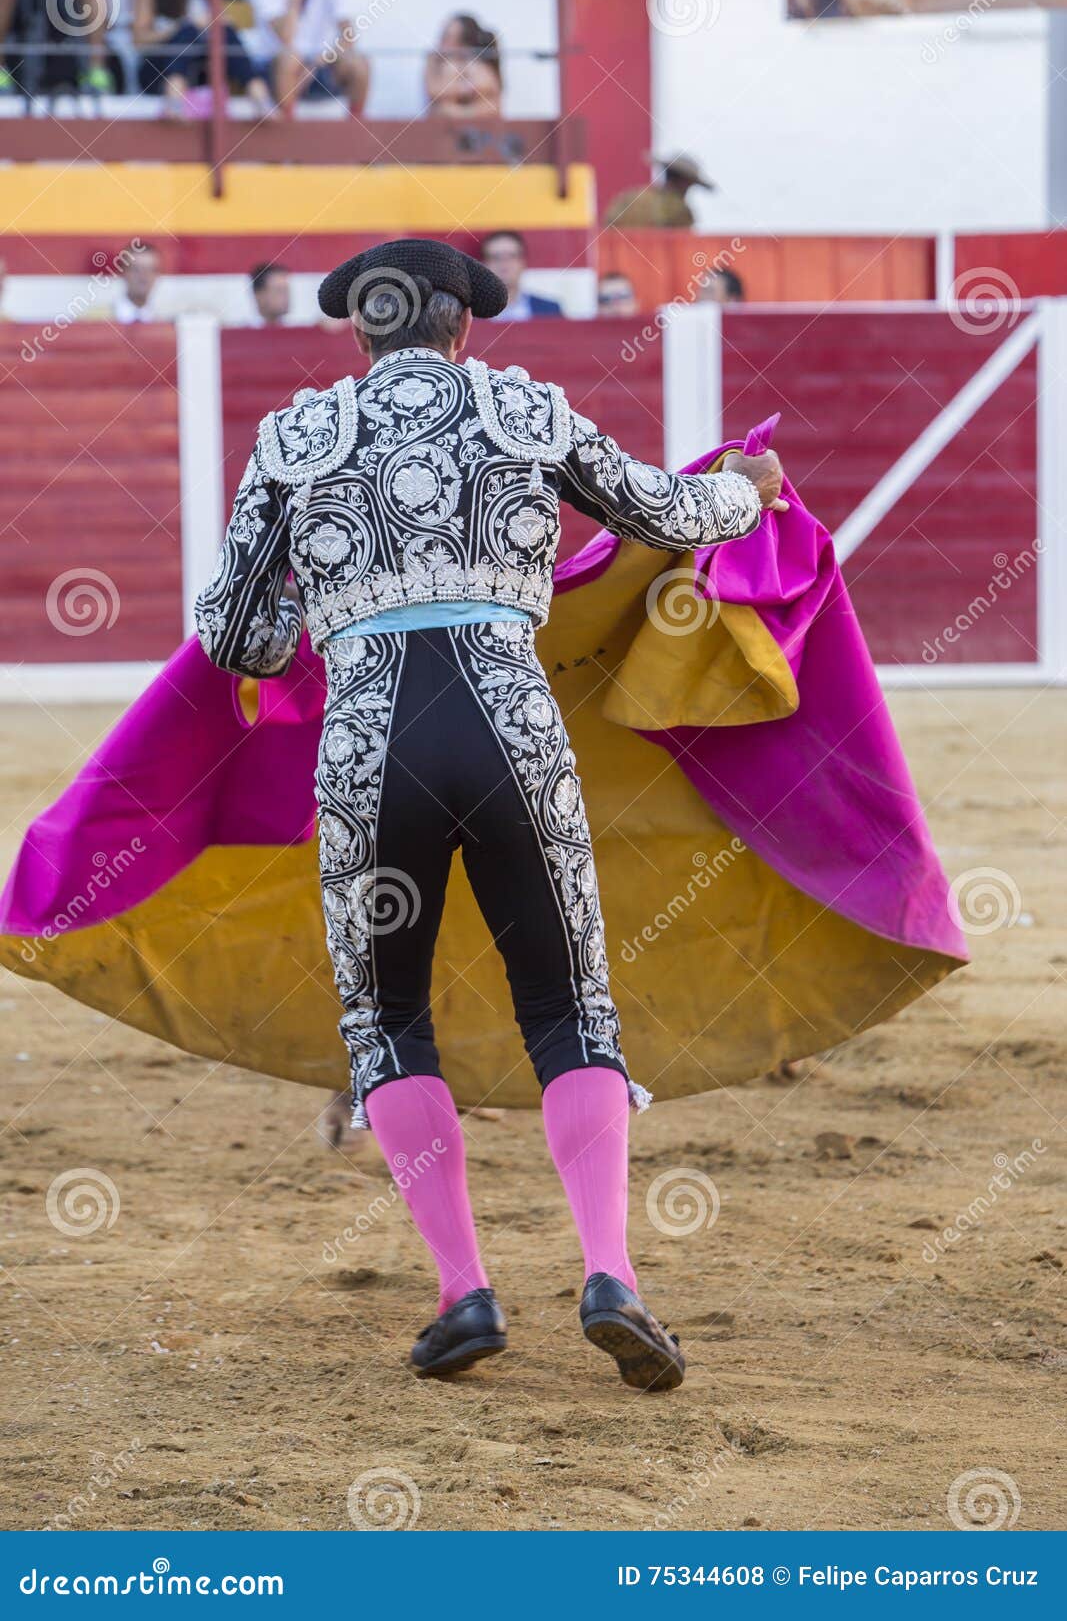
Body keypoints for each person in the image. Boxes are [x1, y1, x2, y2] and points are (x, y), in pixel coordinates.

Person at [193, 236, 785, 1391]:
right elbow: (661, 512)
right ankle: (609, 1273)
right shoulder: (521, 409)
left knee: (389, 1019)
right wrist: (744, 492)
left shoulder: (296, 439)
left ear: (357, 333)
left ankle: (464, 1292)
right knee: (569, 1008)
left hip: (371, 754)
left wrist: (309, 620)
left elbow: (233, 633)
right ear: (463, 330)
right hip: (513, 729)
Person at [134, 0, 273, 118]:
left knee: (223, 30)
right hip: (158, 73)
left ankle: (259, 95)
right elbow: (139, 41)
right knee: (189, 30)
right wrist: (181, 27)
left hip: (198, 70)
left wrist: (214, 23)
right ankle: (173, 99)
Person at [250, 0, 368, 115]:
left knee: (360, 63)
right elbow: (286, 38)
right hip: (278, 70)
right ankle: (287, 131)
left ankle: (356, 130)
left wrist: (318, 62)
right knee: (289, 59)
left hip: (322, 64)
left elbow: (349, 35)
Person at [603, 153, 716, 230]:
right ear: (684, 182)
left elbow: (608, 230)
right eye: (690, 184)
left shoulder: (629, 198)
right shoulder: (680, 211)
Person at [424, 11, 501, 120]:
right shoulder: (435, 60)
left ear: (464, 42)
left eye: (447, 37)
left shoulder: (479, 66)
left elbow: (490, 95)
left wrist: (460, 111)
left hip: (482, 124)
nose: (441, 43)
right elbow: (434, 92)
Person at [480, 230, 562, 321]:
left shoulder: (550, 311)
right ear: (484, 265)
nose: (504, 264)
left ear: (523, 263)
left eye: (511, 256)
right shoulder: (468, 314)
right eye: (496, 257)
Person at [113, 241, 161, 322]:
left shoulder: (165, 320)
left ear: (158, 275)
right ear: (123, 273)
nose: (144, 277)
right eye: (136, 269)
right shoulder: (99, 319)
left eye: (150, 270)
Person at [248, 260, 291, 326]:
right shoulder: (242, 332)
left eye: (286, 291)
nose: (286, 297)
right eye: (279, 290)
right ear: (259, 295)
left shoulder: (296, 333)